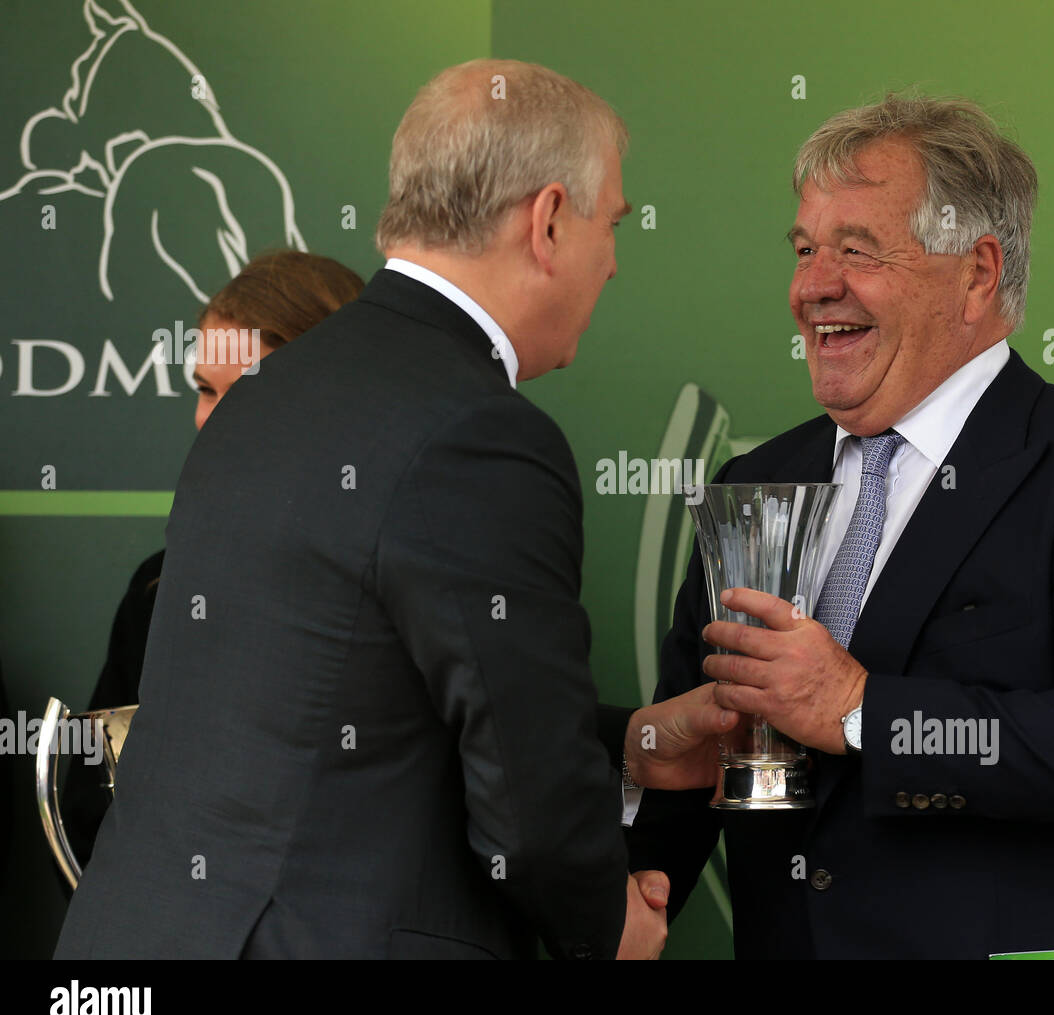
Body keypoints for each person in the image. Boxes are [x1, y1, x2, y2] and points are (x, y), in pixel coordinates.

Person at [55, 59, 731, 961]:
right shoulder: (482, 435)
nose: (613, 258)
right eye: (612, 222)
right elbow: (524, 812)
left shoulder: (260, 396)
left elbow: (350, 705)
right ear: (549, 221)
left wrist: (635, 745)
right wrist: (610, 924)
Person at [628, 94, 1054, 959]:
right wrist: (626, 893)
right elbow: (700, 758)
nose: (812, 286)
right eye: (804, 249)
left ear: (975, 273)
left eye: (856, 250)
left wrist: (862, 711)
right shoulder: (754, 482)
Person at [59, 251, 367, 872]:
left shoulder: (413, 575)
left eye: (254, 391)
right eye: (205, 389)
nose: (216, 420)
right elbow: (86, 805)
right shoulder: (158, 585)